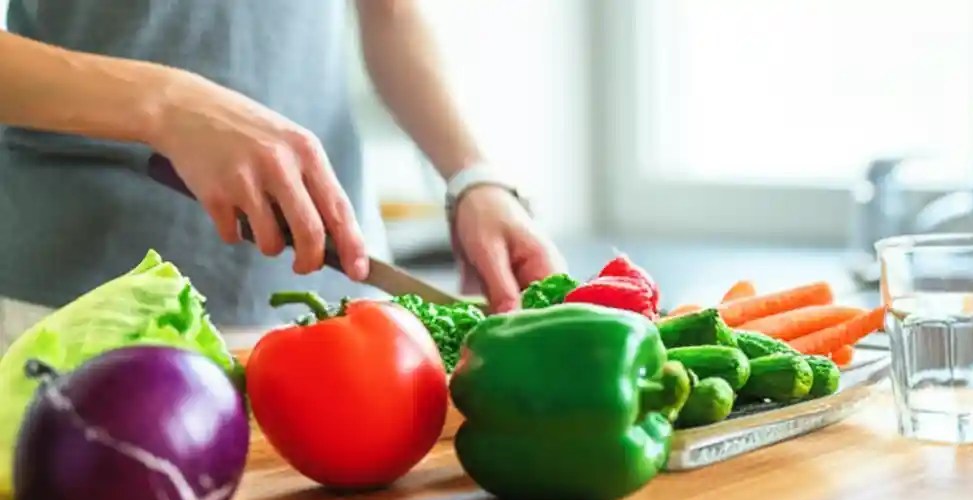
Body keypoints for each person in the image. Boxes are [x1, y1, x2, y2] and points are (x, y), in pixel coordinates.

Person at [0, 1, 564, 325]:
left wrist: (473, 177)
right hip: (72, 311)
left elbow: (391, 13)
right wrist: (166, 104)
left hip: (344, 309)